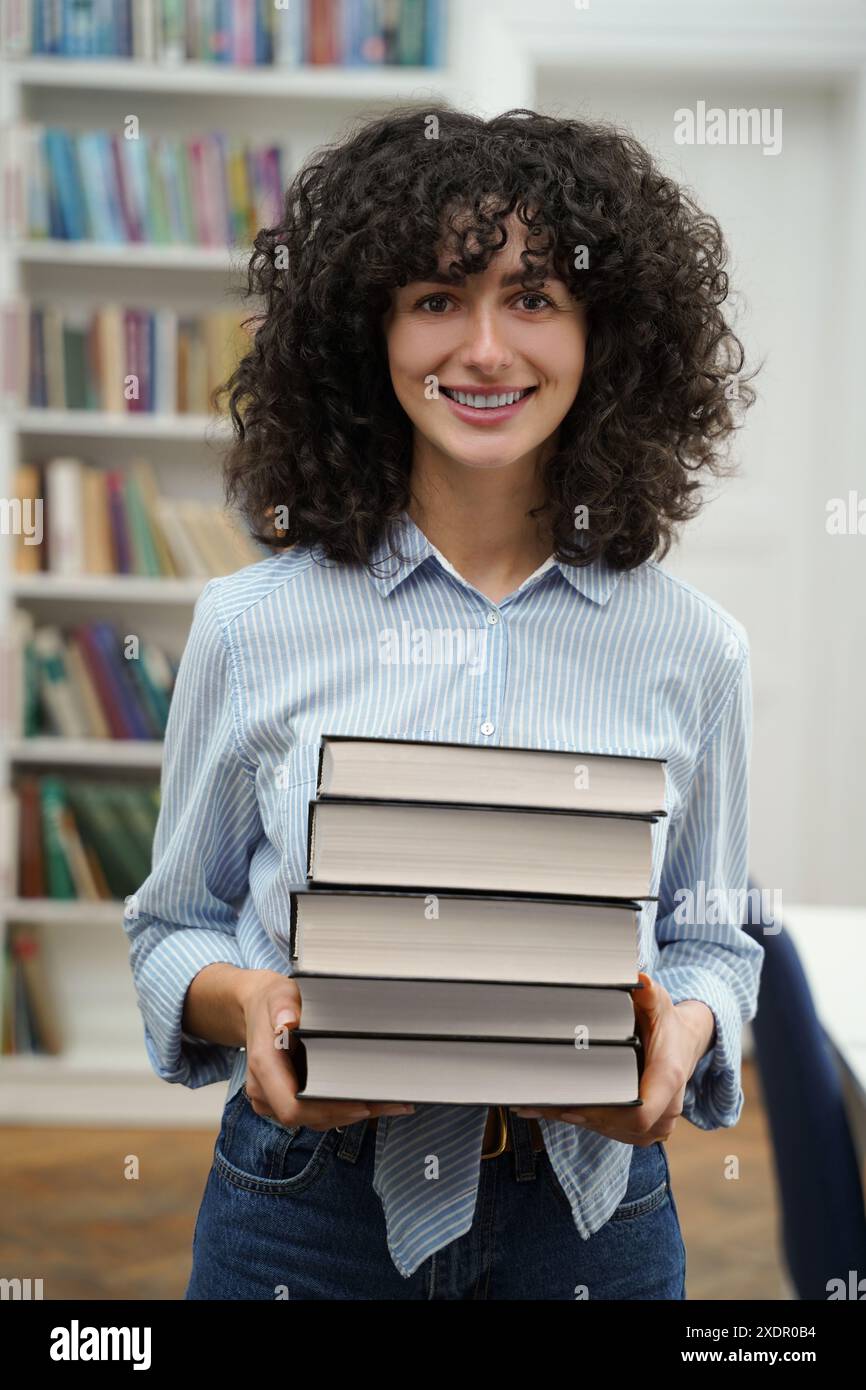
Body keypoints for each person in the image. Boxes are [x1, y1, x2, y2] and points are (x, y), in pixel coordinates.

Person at [123, 105, 765, 1300]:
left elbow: (710, 940)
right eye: (434, 299)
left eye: (531, 299)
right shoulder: (250, 625)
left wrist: (681, 1033)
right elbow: (173, 928)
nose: (481, 348)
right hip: (302, 1213)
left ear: (603, 336)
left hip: (591, 1219)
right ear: (366, 332)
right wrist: (254, 1003)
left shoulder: (693, 648)